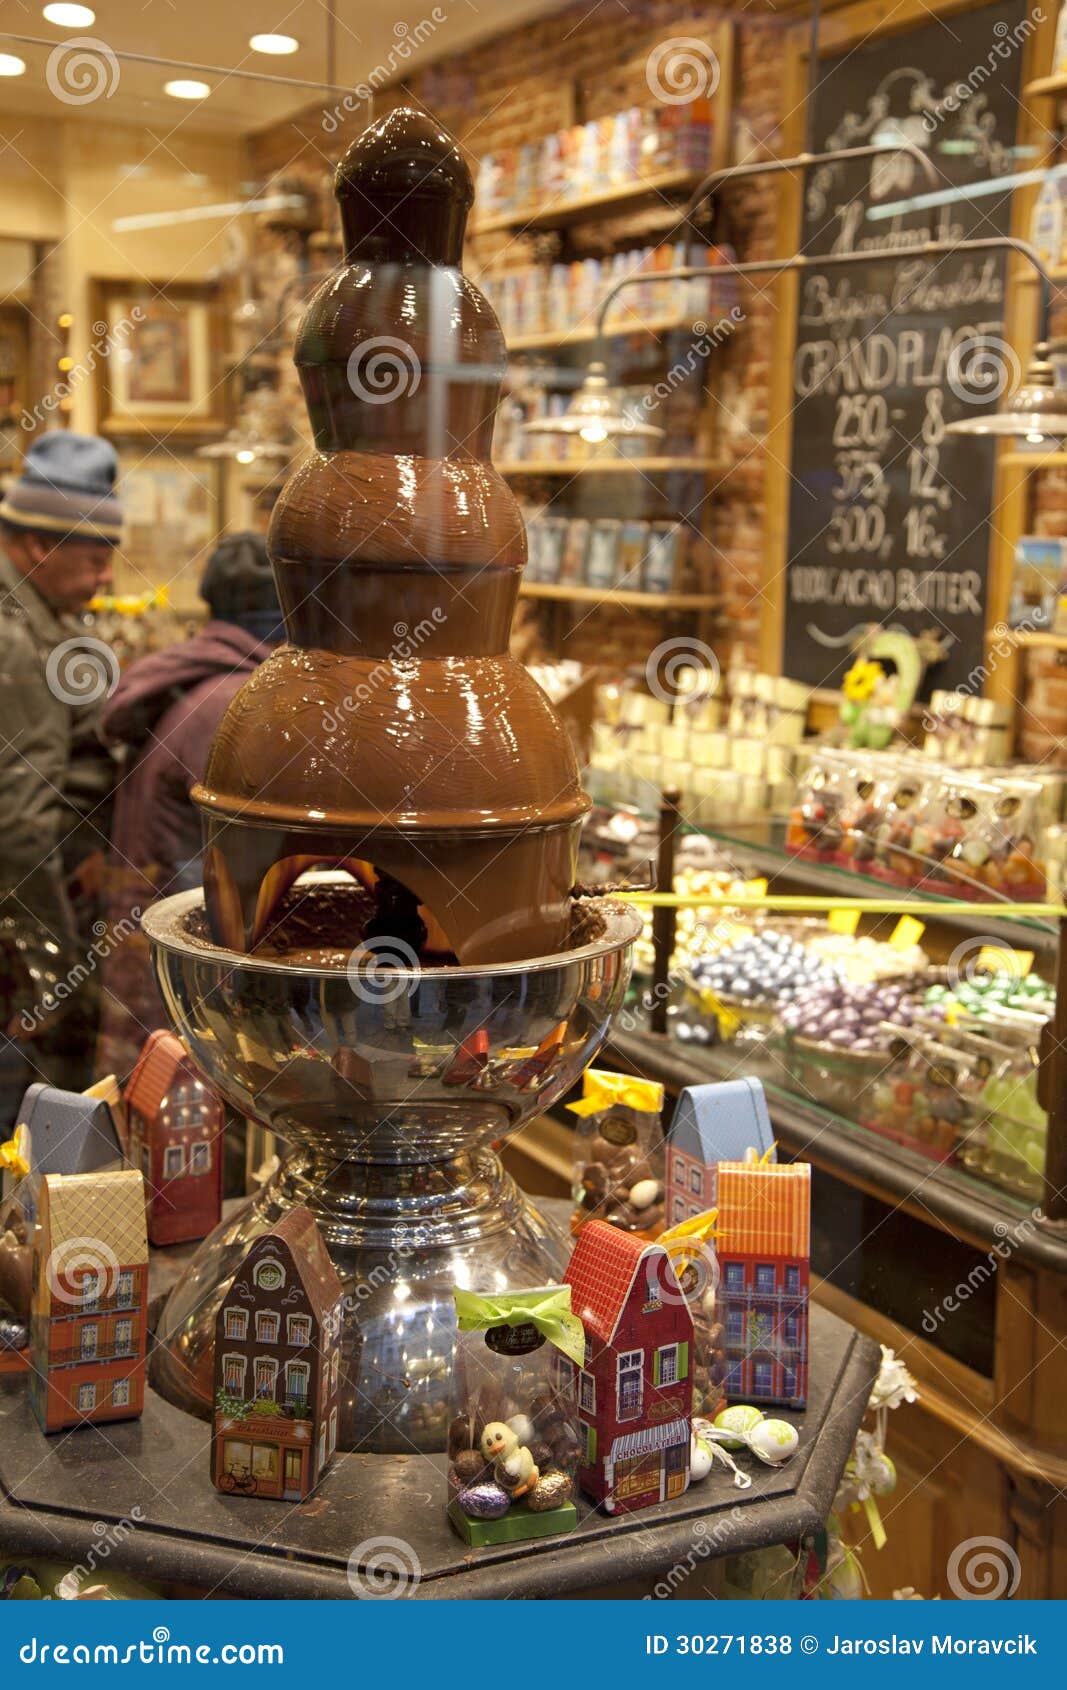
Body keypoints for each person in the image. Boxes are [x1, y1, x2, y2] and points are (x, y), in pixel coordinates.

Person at [94, 531, 283, 1079]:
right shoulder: (234, 703)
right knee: (186, 1141)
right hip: (189, 973)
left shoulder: (197, 679)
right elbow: (254, 865)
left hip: (149, 953)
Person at [0, 433, 123, 1107]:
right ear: (41, 545)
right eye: (96, 555)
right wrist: (54, 974)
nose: (107, 575)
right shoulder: (20, 637)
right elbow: (20, 820)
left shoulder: (35, 619)